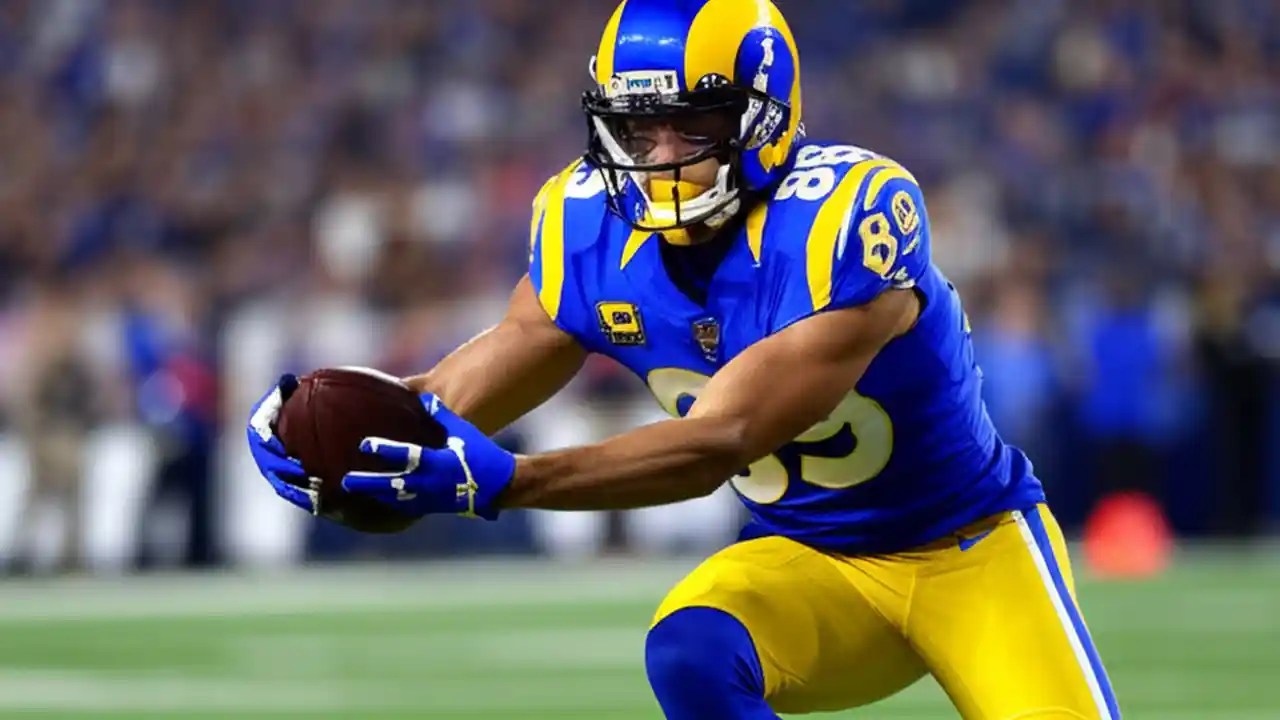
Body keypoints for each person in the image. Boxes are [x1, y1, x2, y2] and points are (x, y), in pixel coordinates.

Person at [248, 1, 1120, 717]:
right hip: (814, 561)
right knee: (689, 650)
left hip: (968, 551)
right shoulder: (584, 225)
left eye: (692, 123)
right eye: (639, 129)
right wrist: (339, 432)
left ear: (763, 116)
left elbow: (720, 439)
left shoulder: (845, 216)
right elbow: (452, 395)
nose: (662, 157)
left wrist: (513, 482)